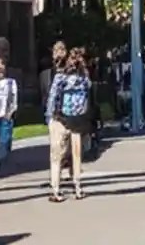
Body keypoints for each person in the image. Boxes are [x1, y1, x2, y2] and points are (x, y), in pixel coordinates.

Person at [45, 49, 94, 202]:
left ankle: (56, 190)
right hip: (77, 121)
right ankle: (78, 188)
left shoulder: (60, 78)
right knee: (76, 156)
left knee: (56, 156)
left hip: (60, 119)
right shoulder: (84, 80)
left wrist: (49, 117)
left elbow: (53, 98)